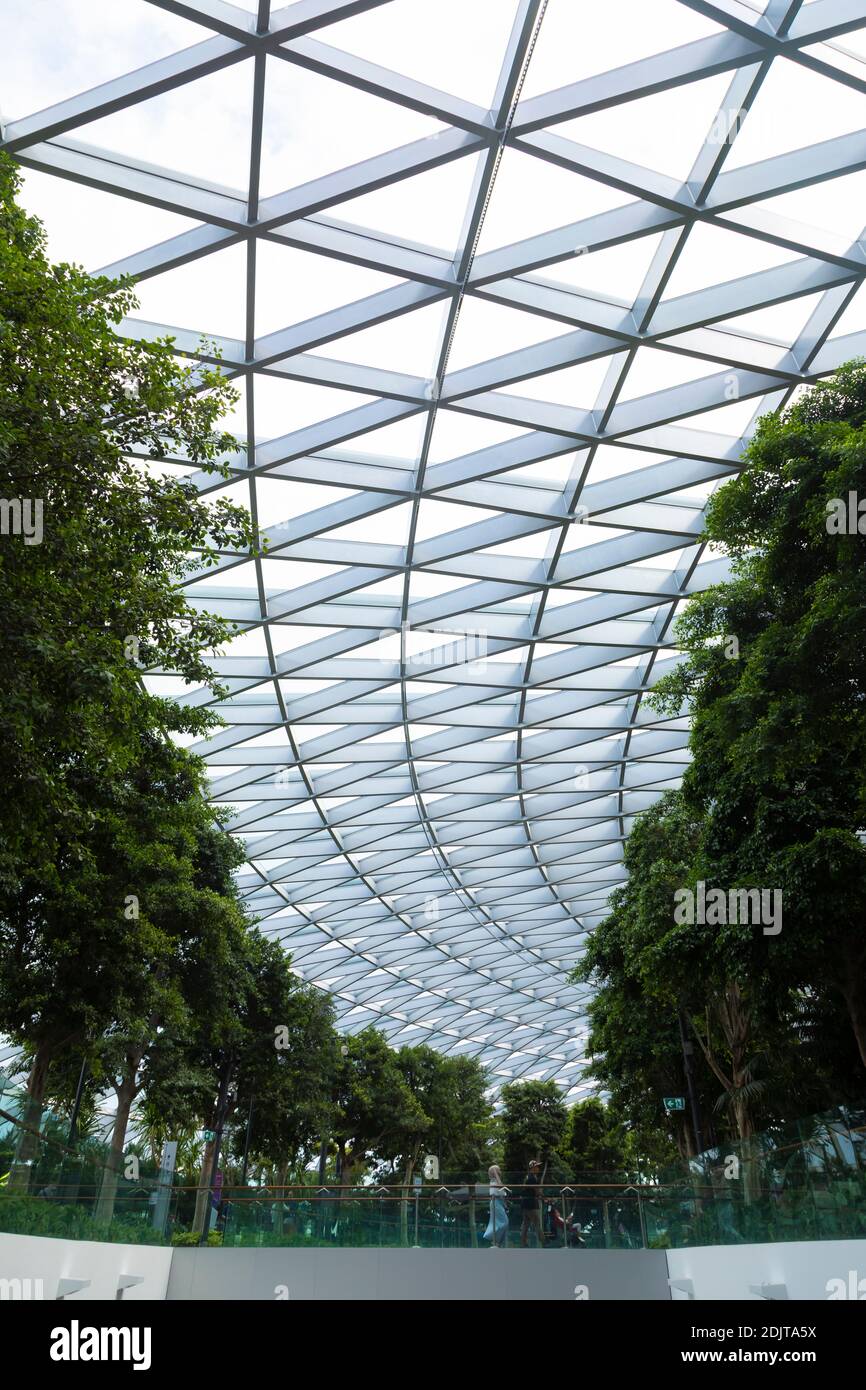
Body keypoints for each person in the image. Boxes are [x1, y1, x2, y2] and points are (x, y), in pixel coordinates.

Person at [482, 1164, 508, 1248]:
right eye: (498, 1170)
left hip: (499, 1202)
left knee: (500, 1222)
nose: (500, 1171)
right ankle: (495, 1242)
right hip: (495, 1202)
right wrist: (495, 1173)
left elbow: (502, 1193)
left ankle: (498, 1243)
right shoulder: (494, 1181)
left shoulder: (495, 1181)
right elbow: (500, 1187)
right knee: (504, 1222)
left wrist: (505, 1204)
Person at [520, 1159, 543, 1247]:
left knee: (526, 1224)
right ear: (532, 1167)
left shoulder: (528, 1176)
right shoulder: (532, 1178)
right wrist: (545, 1198)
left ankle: (523, 1243)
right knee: (537, 1223)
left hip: (525, 1203)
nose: (538, 1168)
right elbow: (537, 1191)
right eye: (537, 1166)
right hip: (531, 1204)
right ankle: (543, 1242)